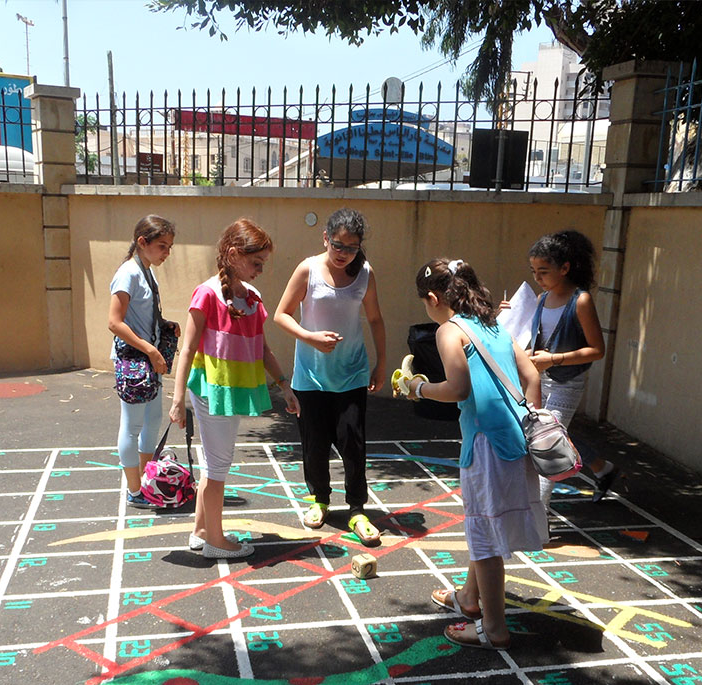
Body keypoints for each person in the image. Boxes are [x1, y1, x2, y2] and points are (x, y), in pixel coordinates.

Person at [398, 258, 547, 650]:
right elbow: (531, 375)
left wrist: (418, 388)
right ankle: (468, 597)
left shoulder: (449, 330)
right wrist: (529, 421)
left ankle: (494, 628)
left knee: (483, 537)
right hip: (515, 441)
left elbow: (458, 388)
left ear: (433, 298)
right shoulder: (490, 324)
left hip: (485, 445)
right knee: (486, 523)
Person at [169, 218, 299, 560]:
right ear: (233, 254)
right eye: (256, 263)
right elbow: (188, 348)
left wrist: (284, 385)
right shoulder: (207, 293)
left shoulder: (252, 298)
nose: (260, 270)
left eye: (263, 263)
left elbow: (263, 348)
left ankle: (201, 532)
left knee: (215, 463)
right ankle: (216, 540)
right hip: (213, 390)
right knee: (218, 467)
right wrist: (178, 398)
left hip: (232, 390)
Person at [273, 208, 387, 545]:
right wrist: (309, 337)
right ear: (325, 238)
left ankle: (357, 508)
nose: (343, 254)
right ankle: (320, 499)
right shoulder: (308, 269)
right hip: (310, 375)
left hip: (351, 372)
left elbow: (376, 319)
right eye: (337, 245)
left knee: (353, 442)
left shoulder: (364, 273)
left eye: (351, 248)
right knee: (315, 443)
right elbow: (281, 315)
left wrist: (381, 363)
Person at [523, 230, 620, 507]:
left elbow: (597, 350)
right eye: (533, 272)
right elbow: (535, 340)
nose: (538, 278)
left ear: (564, 268)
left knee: (547, 445)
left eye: (543, 271)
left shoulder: (581, 301)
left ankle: (538, 516)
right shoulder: (542, 299)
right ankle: (603, 468)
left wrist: (553, 359)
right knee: (550, 432)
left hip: (566, 383)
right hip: (539, 380)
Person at [108, 215, 178, 508]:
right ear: (142, 242)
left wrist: (165, 324)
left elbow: (144, 317)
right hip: (135, 361)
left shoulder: (147, 271)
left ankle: (145, 480)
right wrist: (150, 350)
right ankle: (134, 491)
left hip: (150, 360)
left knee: (153, 420)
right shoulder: (128, 273)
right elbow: (114, 322)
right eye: (162, 246)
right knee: (132, 425)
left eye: (169, 246)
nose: (167, 252)